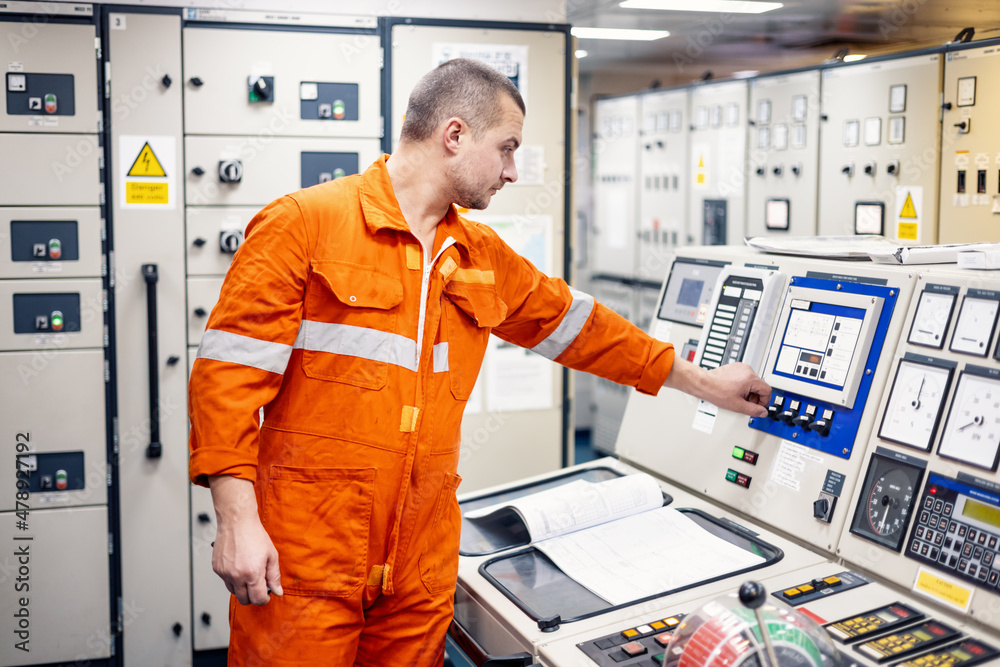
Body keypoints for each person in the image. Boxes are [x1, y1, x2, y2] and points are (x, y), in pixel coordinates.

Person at [188, 57, 771, 666]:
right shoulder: (303, 225)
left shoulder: (477, 254)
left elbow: (578, 327)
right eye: (507, 148)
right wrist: (236, 519)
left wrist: (704, 384)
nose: (513, 172)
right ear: (456, 135)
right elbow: (225, 383)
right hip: (306, 560)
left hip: (418, 564)